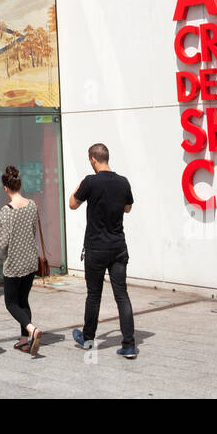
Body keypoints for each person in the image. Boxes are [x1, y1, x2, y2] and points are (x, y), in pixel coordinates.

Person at [69, 143, 136, 358]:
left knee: (94, 295)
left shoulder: (90, 182)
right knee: (122, 295)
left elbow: (72, 204)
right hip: (118, 246)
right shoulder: (123, 182)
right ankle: (129, 344)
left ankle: (88, 339)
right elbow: (128, 208)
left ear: (92, 160)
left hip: (96, 248)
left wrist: (81, 185)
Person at [0, 165, 42, 356]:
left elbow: (3, 243)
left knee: (11, 303)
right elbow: (32, 232)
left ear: (6, 188)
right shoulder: (32, 205)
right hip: (30, 260)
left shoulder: (6, 210)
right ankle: (24, 341)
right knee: (23, 300)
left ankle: (32, 329)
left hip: (14, 264)